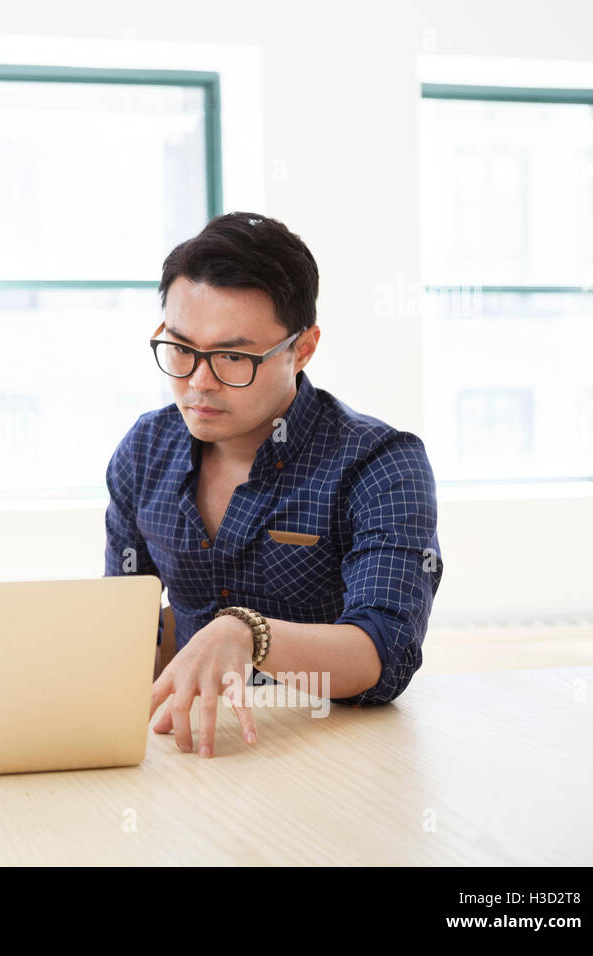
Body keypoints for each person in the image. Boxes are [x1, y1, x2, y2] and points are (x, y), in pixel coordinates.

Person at [105, 212, 443, 757]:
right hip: (199, 749)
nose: (198, 382)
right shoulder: (145, 450)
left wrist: (247, 633)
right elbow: (123, 625)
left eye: (234, 357)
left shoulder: (380, 462)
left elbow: (385, 650)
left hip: (337, 751)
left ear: (303, 348)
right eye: (181, 348)